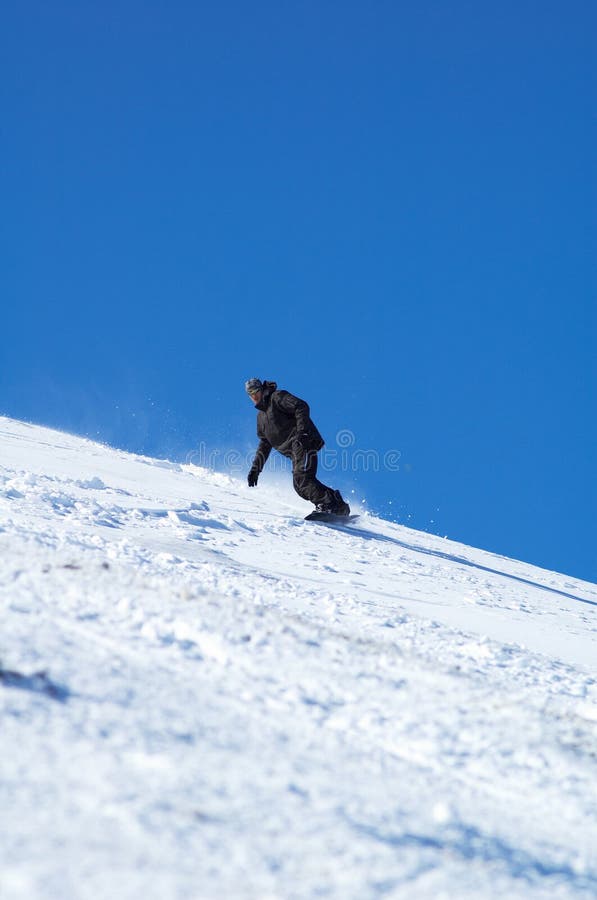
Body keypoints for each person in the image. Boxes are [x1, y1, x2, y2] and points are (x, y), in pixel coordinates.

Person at [245, 378, 350, 516]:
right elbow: (264, 444)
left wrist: (303, 432)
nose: (254, 396)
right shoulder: (261, 418)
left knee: (302, 478)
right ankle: (337, 504)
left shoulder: (277, 397)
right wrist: (255, 469)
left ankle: (326, 504)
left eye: (255, 391)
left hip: (303, 442)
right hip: (295, 452)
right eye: (250, 394)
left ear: (262, 389)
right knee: (300, 485)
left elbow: (301, 406)